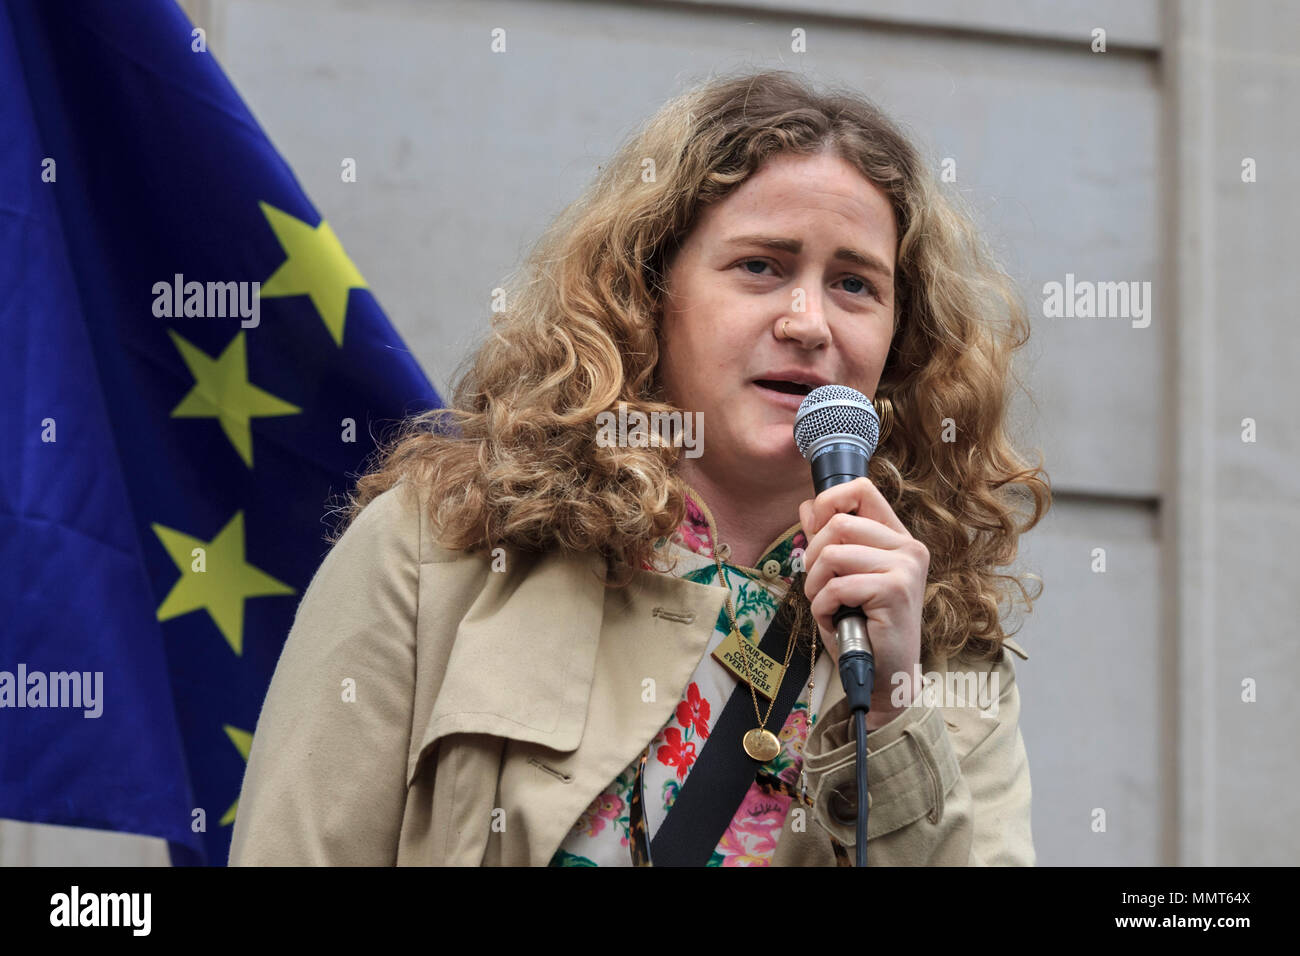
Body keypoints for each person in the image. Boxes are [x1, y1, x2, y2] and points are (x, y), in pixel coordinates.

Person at [228, 68, 1051, 867]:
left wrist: (894, 707)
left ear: (898, 340)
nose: (807, 322)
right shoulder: (438, 548)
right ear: (649, 289)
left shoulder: (945, 651)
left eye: (854, 285)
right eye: (761, 266)